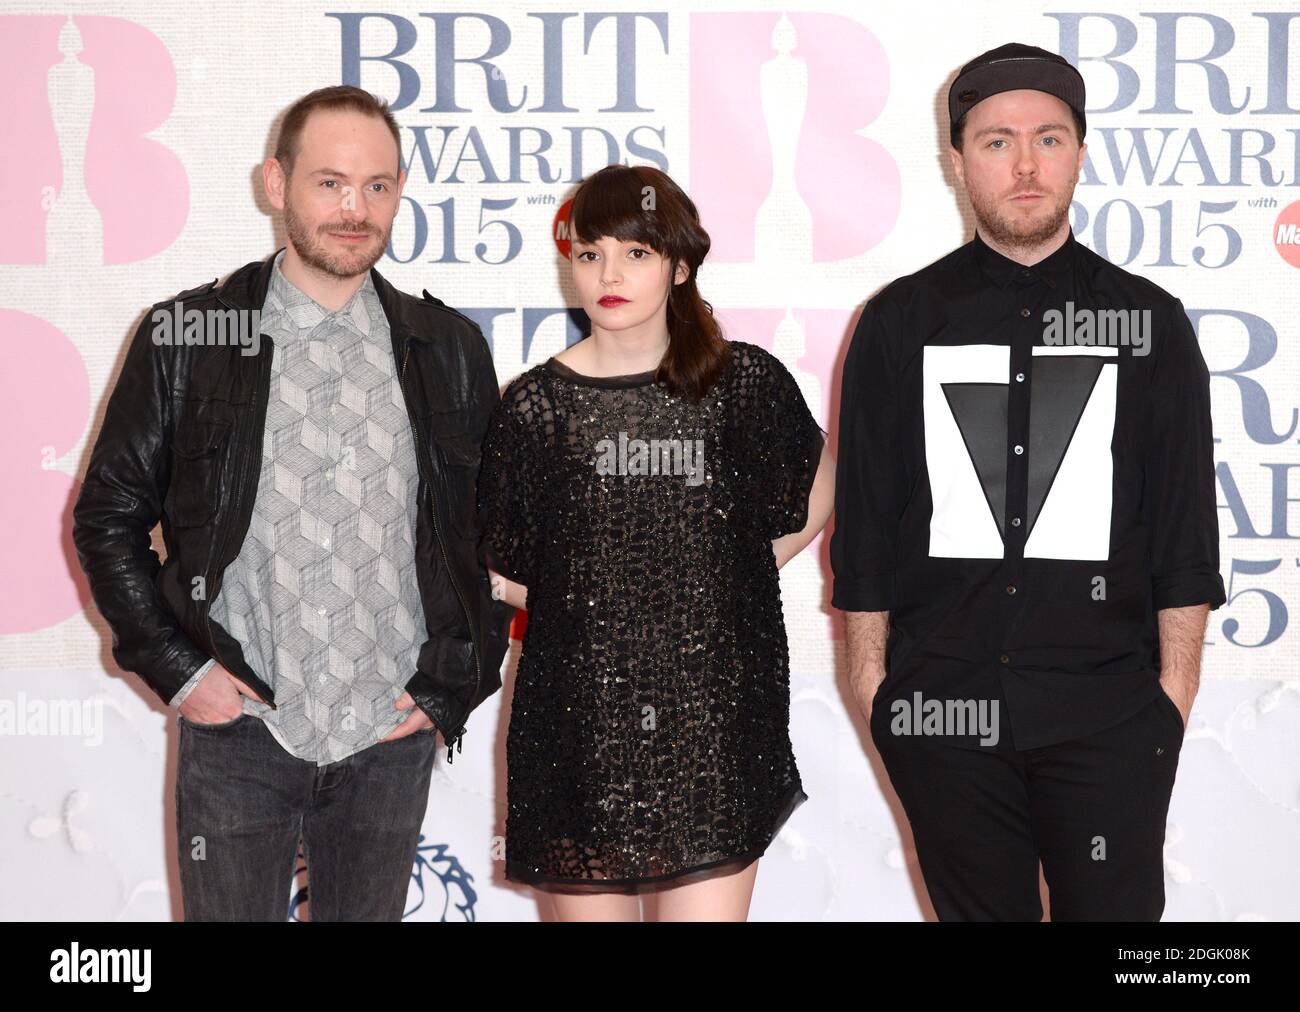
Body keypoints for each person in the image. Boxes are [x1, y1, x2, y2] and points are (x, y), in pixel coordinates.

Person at [71, 85, 511, 921]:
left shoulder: (445, 347)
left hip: (388, 737)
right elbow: (107, 517)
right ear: (276, 184)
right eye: (331, 183)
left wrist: (453, 683)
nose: (356, 209)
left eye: (378, 186)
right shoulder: (187, 334)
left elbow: (489, 537)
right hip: (240, 730)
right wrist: (181, 671)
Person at [831, 43, 1225, 921]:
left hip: (1111, 717)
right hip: (942, 716)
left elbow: (1184, 534)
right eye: (997, 141)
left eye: (1049, 139)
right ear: (958, 159)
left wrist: (1169, 702)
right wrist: (877, 692)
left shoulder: (1148, 322)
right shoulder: (899, 321)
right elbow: (865, 532)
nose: (1024, 165)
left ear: (1081, 152)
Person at [478, 164, 835, 921]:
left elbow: (821, 476)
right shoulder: (534, 407)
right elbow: (502, 571)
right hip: (577, 733)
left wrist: (729, 569)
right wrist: (605, 601)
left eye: (636, 253)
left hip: (711, 734)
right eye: (589, 253)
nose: (608, 273)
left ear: (678, 266)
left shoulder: (744, 387)